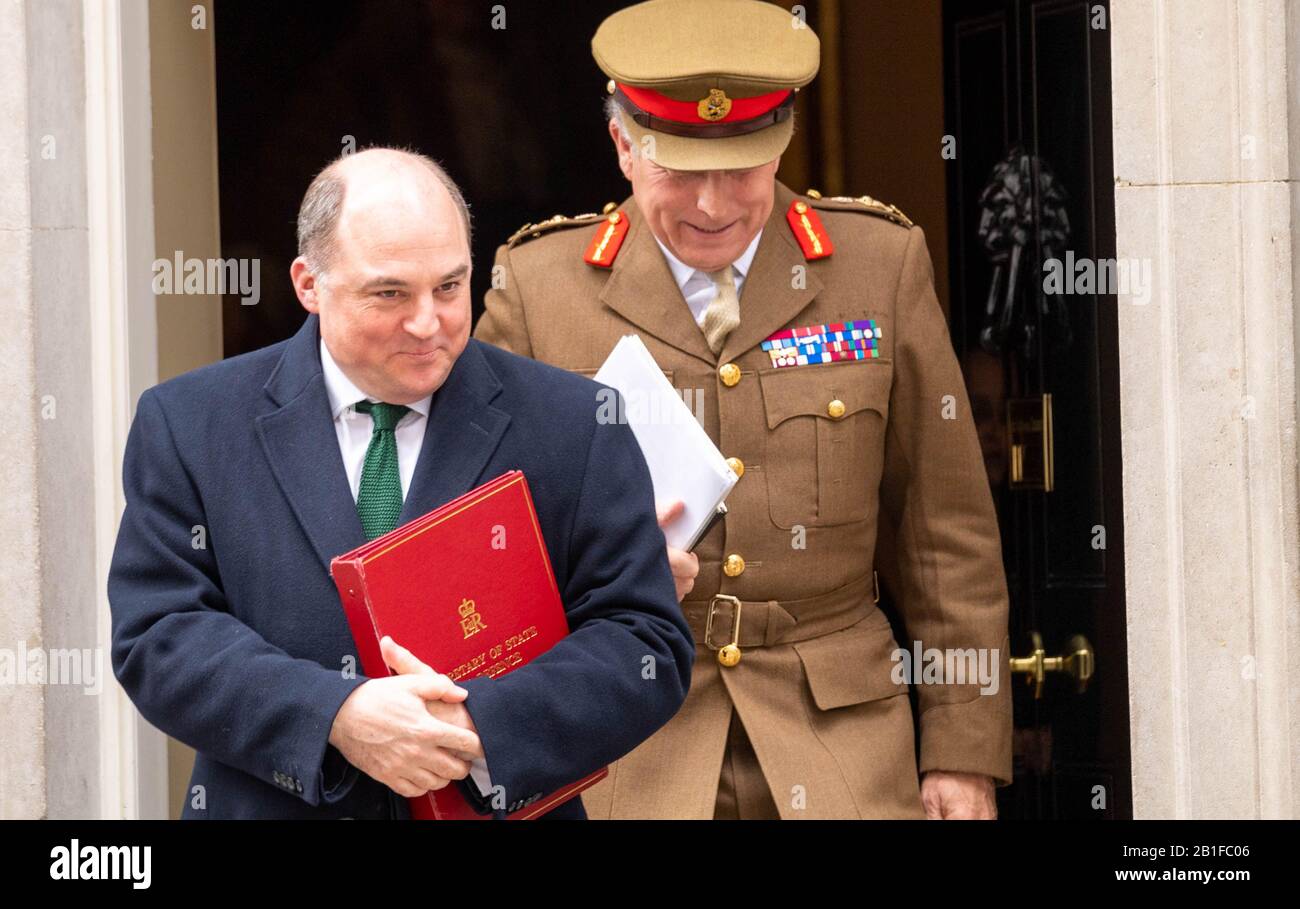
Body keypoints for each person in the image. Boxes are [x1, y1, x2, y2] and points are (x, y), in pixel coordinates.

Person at [473, 0, 1012, 819]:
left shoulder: (879, 265)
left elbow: (944, 534)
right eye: (680, 172)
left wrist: (963, 751)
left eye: (742, 169)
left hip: (842, 749)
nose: (715, 204)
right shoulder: (538, 291)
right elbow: (475, 541)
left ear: (784, 141)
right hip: (625, 746)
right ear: (622, 143)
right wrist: (595, 569)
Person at [107, 147, 693, 819]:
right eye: (390, 293)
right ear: (309, 284)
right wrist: (337, 714)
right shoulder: (190, 424)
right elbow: (159, 635)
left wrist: (479, 729)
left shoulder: (576, 423)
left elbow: (644, 641)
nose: (428, 323)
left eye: (449, 286)